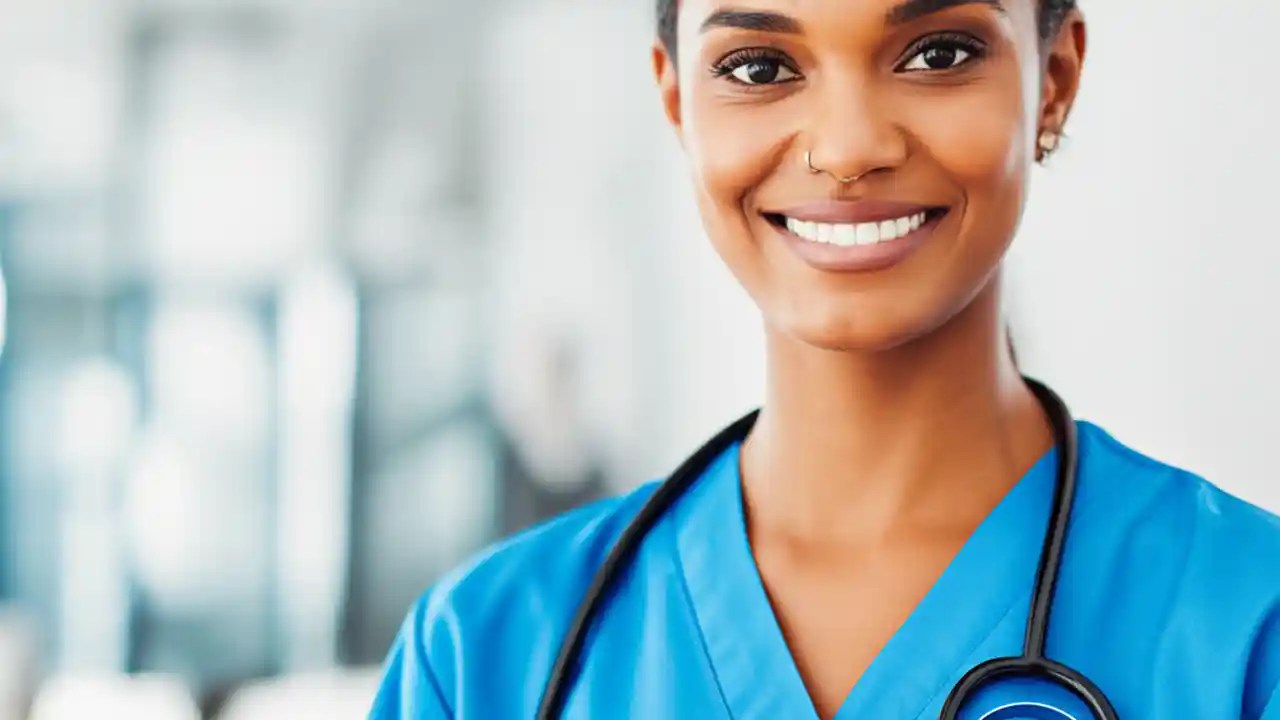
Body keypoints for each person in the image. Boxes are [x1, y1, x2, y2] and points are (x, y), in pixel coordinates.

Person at [370, 0, 1280, 717]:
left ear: (1054, 79)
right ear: (678, 100)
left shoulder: (1250, 625)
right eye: (759, 67)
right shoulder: (483, 655)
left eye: (938, 54)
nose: (847, 149)